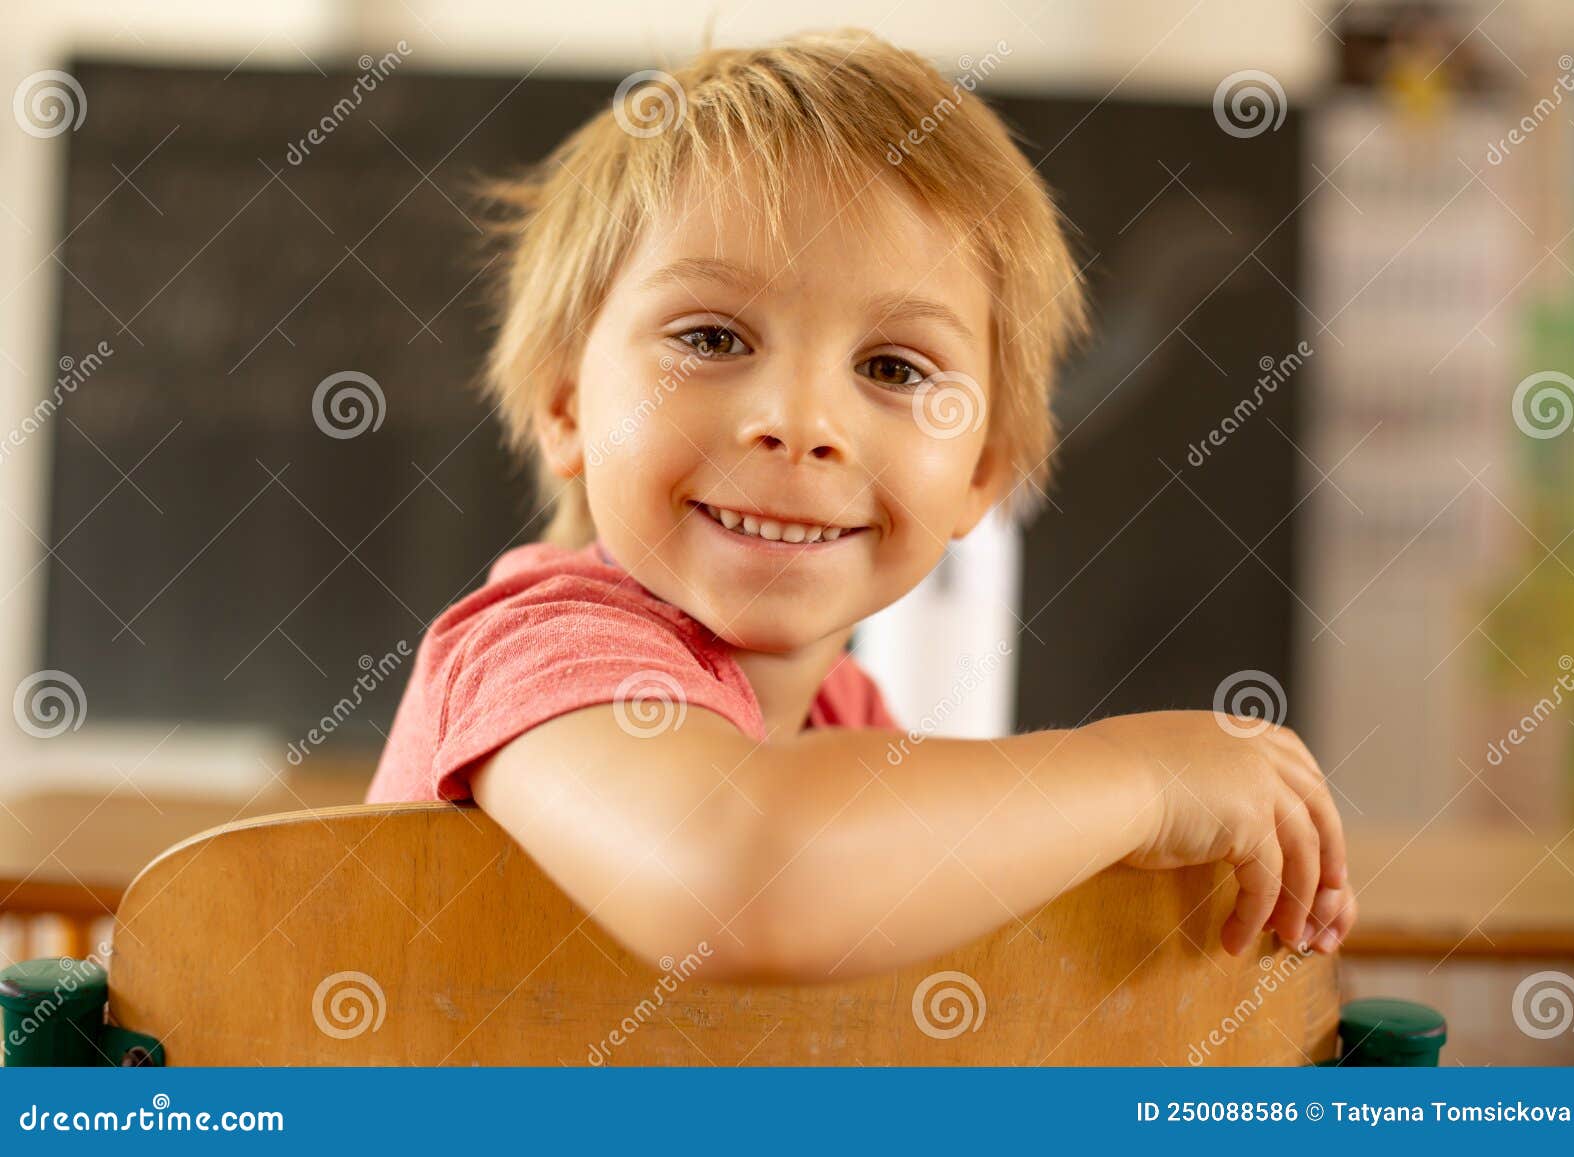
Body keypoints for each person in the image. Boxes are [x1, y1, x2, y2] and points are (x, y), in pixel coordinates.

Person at [364, 27, 1357, 982]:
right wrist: (1140, 777)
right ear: (565, 404)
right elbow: (743, 880)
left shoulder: (846, 725)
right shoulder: (540, 649)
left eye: (892, 366)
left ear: (982, 472)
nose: (801, 423)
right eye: (711, 338)